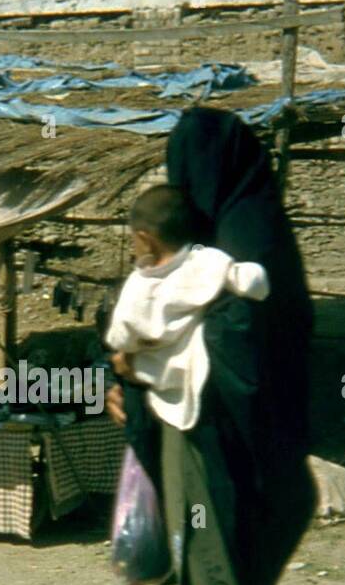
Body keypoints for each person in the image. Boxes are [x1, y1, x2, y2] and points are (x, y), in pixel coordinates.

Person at [89, 107, 331, 585]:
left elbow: (228, 379)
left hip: (223, 476)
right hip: (236, 474)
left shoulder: (234, 255)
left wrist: (136, 382)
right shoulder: (248, 247)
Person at [104, 184, 269, 433]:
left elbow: (122, 337)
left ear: (145, 239)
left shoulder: (139, 287)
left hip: (159, 387)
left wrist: (122, 351)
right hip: (199, 379)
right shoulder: (208, 262)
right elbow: (253, 280)